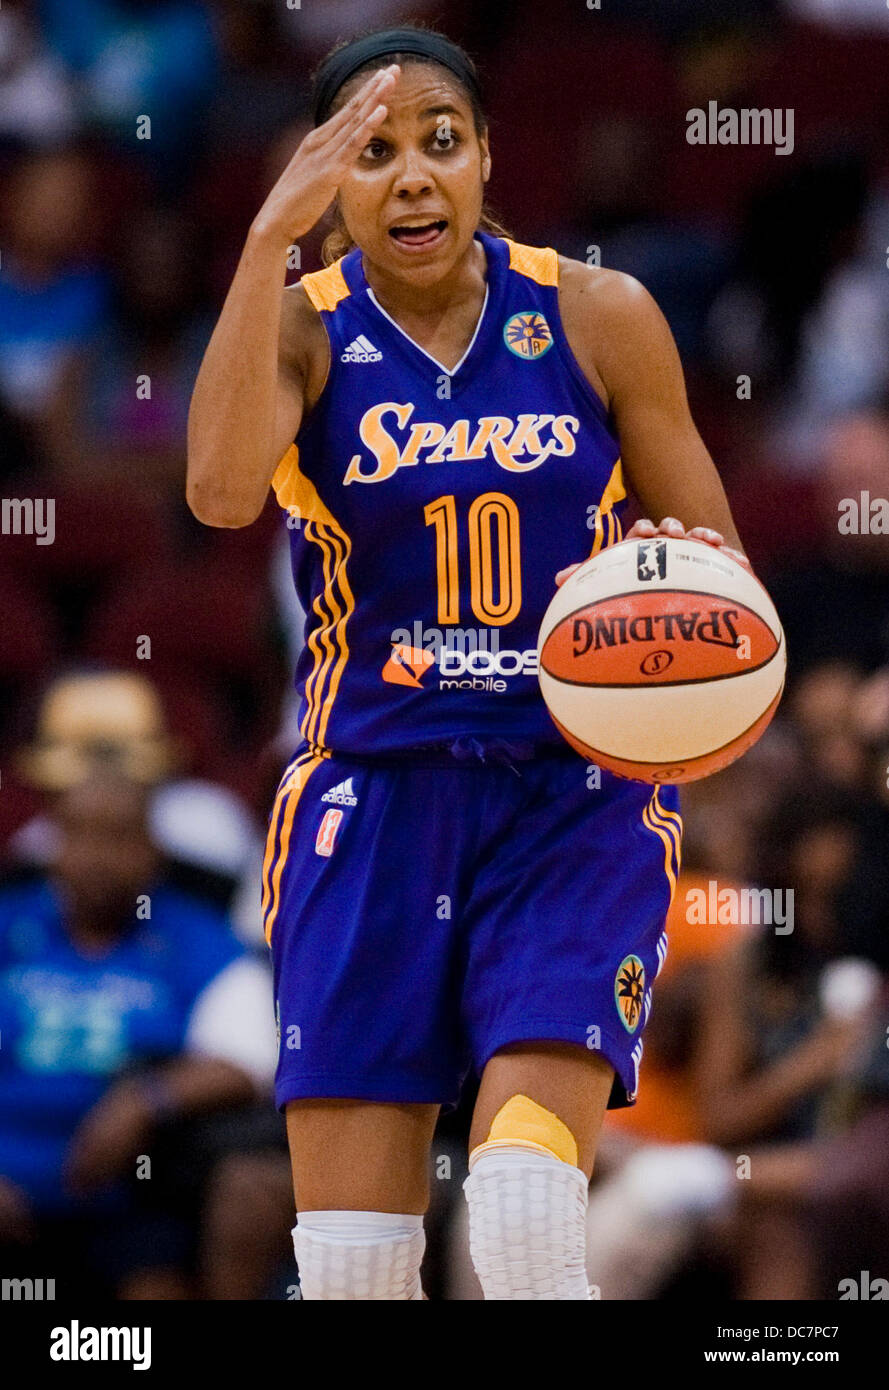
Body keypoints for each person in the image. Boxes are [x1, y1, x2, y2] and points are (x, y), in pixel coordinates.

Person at [187, 26, 751, 1301]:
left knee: (519, 1215)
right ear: (330, 186)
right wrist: (265, 238)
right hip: (372, 798)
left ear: (488, 156)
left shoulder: (598, 315)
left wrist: (674, 587)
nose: (412, 176)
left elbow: (725, 576)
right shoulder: (302, 332)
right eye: (369, 153)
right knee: (352, 1275)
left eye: (440, 140)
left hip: (570, 793)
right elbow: (220, 493)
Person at [0, 775, 277, 1297]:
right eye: (76, 834)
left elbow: (251, 1059)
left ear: (153, 851)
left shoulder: (195, 939)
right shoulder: (9, 924)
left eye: (116, 837)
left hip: (130, 1199)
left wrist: (145, 1099)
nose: (94, 856)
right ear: (51, 847)